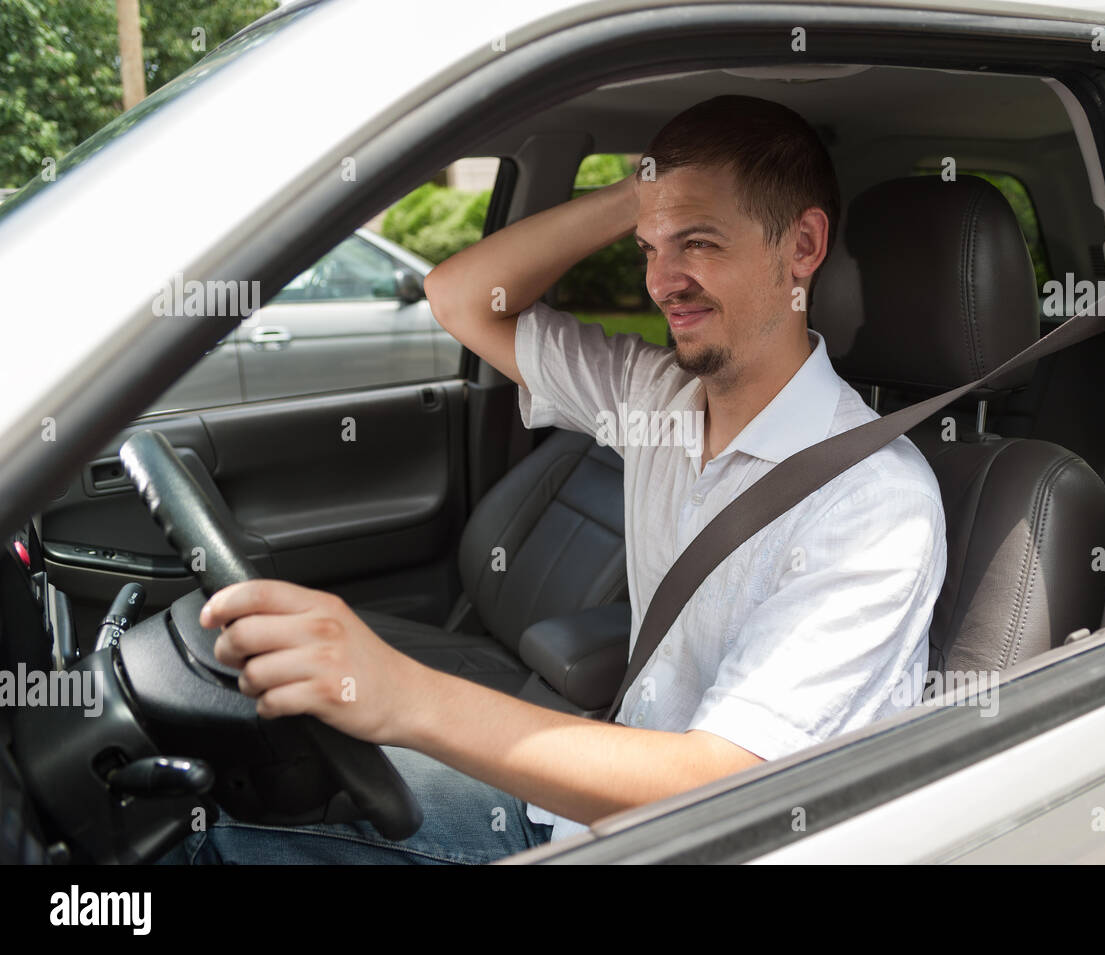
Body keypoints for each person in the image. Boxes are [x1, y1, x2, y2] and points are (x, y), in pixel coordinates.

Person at [160, 94, 946, 864]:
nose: (661, 281)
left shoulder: (875, 503)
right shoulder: (653, 397)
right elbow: (461, 297)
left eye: (699, 242)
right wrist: (643, 194)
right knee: (212, 817)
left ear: (803, 245)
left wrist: (401, 693)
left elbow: (724, 783)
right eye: (649, 247)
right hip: (591, 812)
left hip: (694, 838)